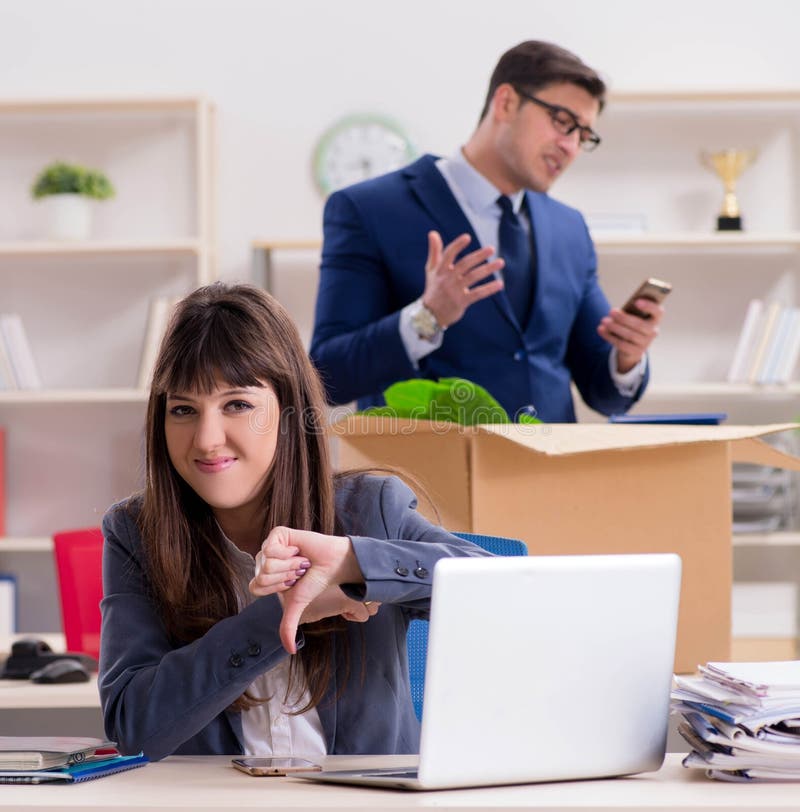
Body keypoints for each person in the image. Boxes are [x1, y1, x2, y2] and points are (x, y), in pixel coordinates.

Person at [98, 282, 489, 761]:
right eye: (183, 410)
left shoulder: (370, 509)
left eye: (237, 405)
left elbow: (500, 590)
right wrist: (280, 614)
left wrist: (353, 562)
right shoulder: (135, 531)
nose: (206, 439)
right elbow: (133, 727)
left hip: (364, 797)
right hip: (216, 797)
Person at [310, 40, 664, 423]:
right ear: (506, 103)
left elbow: (603, 393)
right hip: (428, 459)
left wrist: (627, 357)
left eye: (583, 135)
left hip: (550, 460)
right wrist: (427, 317)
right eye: (562, 122)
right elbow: (328, 376)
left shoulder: (570, 229)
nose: (571, 146)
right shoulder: (370, 209)